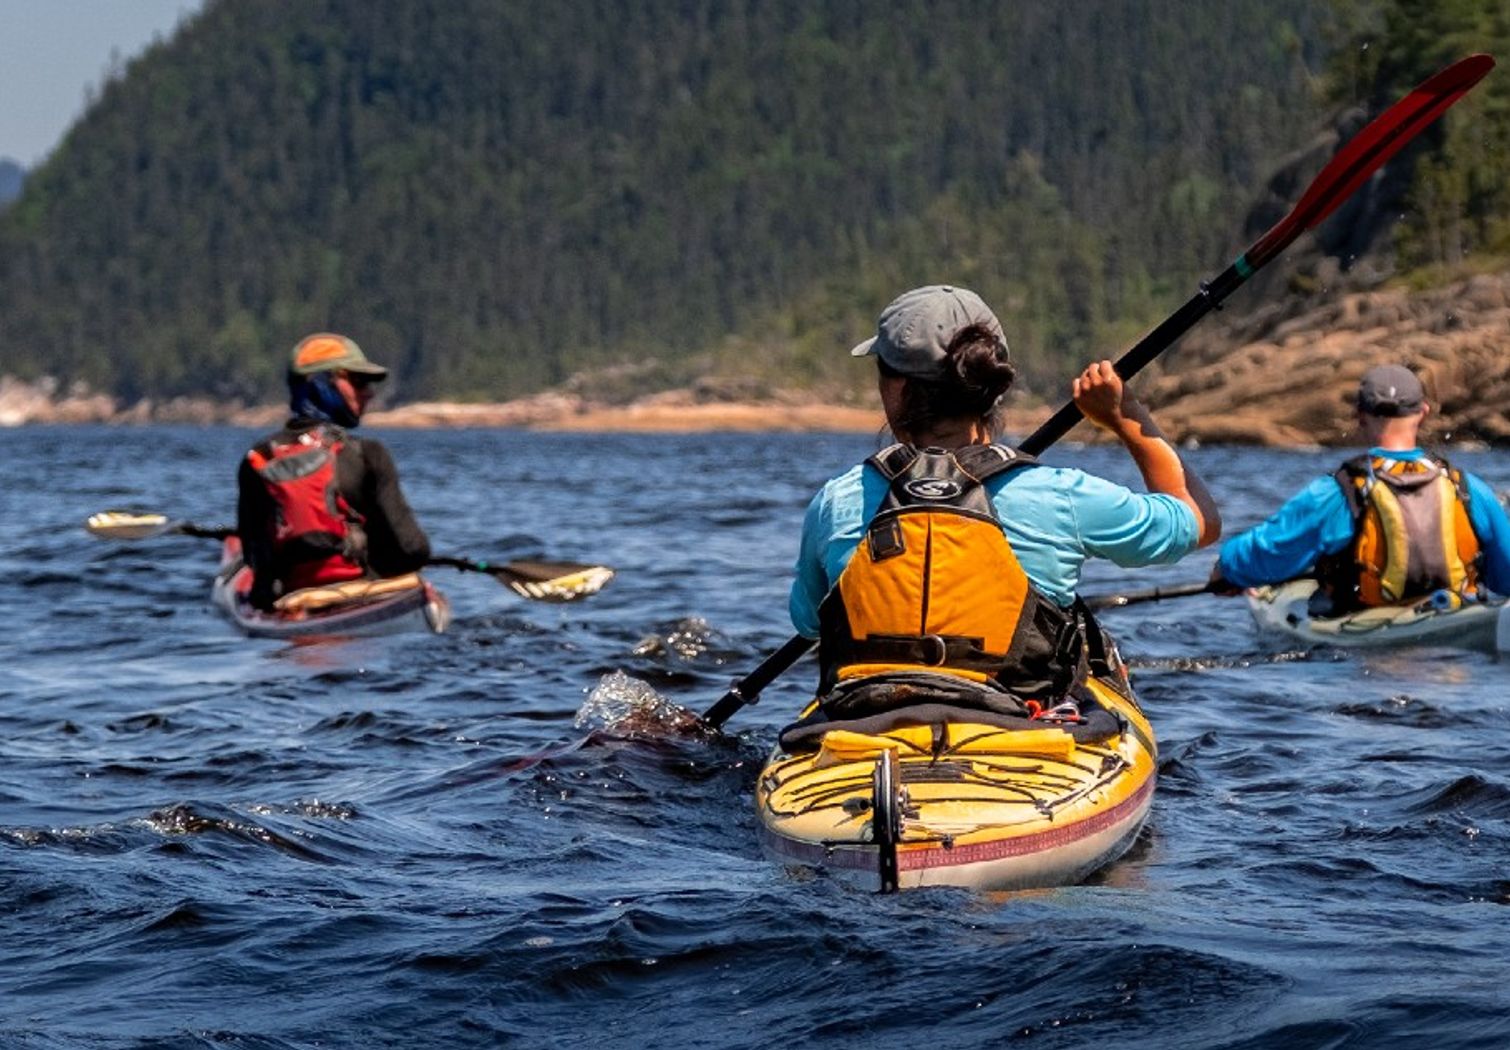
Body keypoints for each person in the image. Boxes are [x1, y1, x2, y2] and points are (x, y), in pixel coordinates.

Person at [789, 284, 1220, 710]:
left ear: (896, 388)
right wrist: (1127, 418)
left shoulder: (837, 501)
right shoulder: (1059, 495)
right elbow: (1198, 522)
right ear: (991, 385)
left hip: (864, 725)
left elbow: (808, 621)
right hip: (1021, 727)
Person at [1212, 363, 1510, 612]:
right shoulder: (1468, 488)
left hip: (1369, 632)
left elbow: (1268, 550)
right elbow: (1506, 576)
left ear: (1360, 416)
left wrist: (1227, 567)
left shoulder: (1339, 493)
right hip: (1456, 634)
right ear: (1423, 412)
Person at [236, 333, 431, 610]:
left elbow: (256, 558)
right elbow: (412, 550)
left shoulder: (257, 458)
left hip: (288, 603)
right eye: (358, 381)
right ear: (320, 385)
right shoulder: (367, 454)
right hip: (361, 594)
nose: (369, 392)